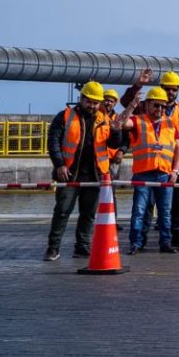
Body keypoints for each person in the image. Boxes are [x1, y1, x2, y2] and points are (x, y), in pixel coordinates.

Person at [106, 86, 179, 254]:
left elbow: (178, 150)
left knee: (165, 212)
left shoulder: (170, 123)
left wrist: (175, 171)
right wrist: (132, 105)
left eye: (163, 106)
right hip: (143, 174)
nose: (160, 109)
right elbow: (121, 122)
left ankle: (165, 243)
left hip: (164, 174)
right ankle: (136, 243)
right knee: (139, 211)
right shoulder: (138, 121)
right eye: (156, 105)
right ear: (147, 105)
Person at [44, 80, 113, 261]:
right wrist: (59, 164)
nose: (91, 105)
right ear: (81, 98)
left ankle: (82, 247)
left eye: (95, 102)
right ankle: (53, 248)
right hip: (69, 175)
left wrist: (118, 130)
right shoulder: (65, 116)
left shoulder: (104, 119)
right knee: (62, 211)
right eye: (88, 101)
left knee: (88, 214)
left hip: (94, 175)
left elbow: (113, 143)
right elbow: (53, 142)